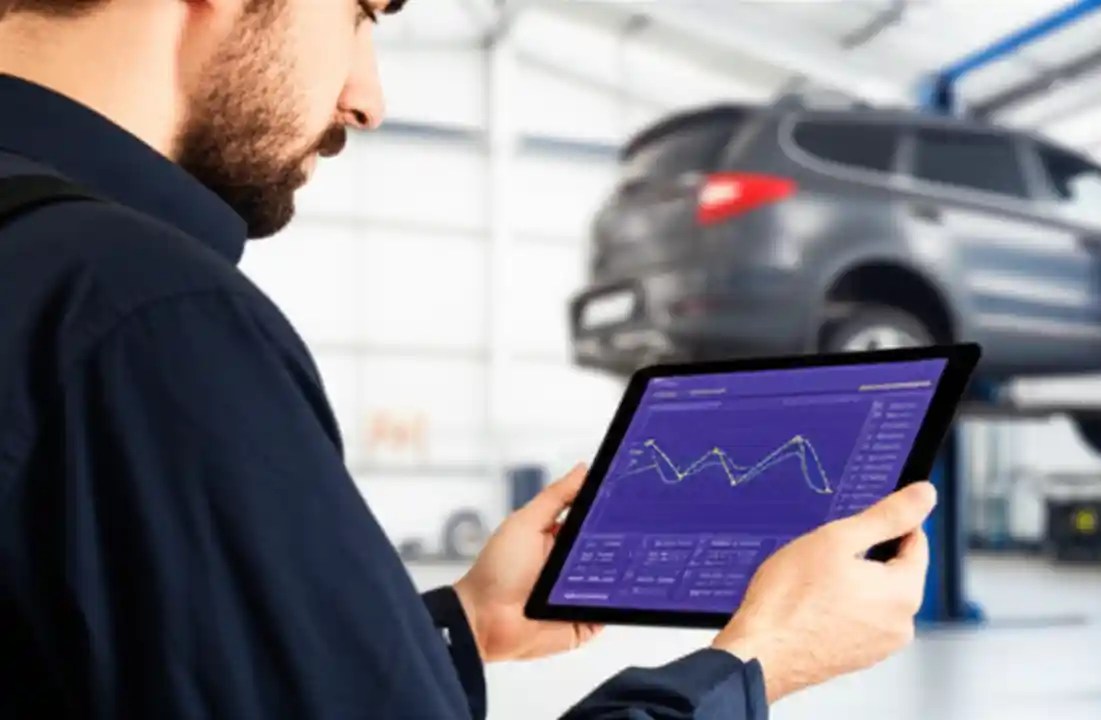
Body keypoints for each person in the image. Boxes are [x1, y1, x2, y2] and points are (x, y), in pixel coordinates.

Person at [0, 1, 938, 718]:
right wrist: (758, 660)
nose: (367, 98)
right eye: (362, 12)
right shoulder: (148, 315)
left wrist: (463, 623)